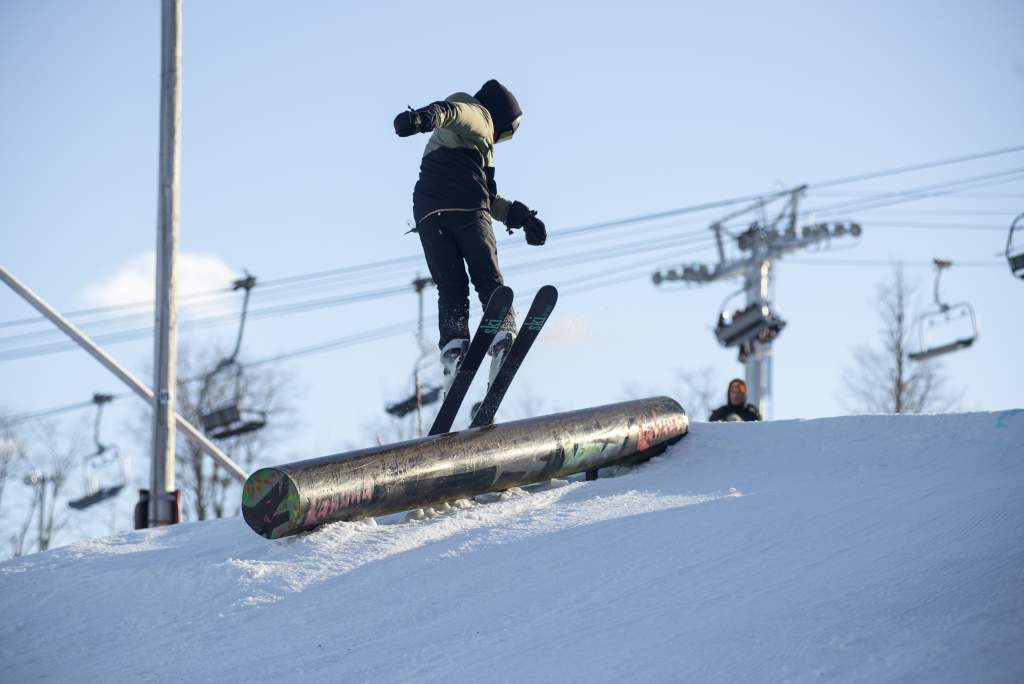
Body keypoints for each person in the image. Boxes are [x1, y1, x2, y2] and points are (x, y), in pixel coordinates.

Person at [393, 79, 547, 392]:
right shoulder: (479, 114)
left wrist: (524, 217)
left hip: (428, 210)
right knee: (486, 275)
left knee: (450, 286)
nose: (497, 140)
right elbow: (452, 111)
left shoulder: (465, 146)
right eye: (504, 134)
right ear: (500, 118)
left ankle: (453, 348)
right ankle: (503, 332)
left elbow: (491, 199)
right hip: (464, 203)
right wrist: (423, 118)